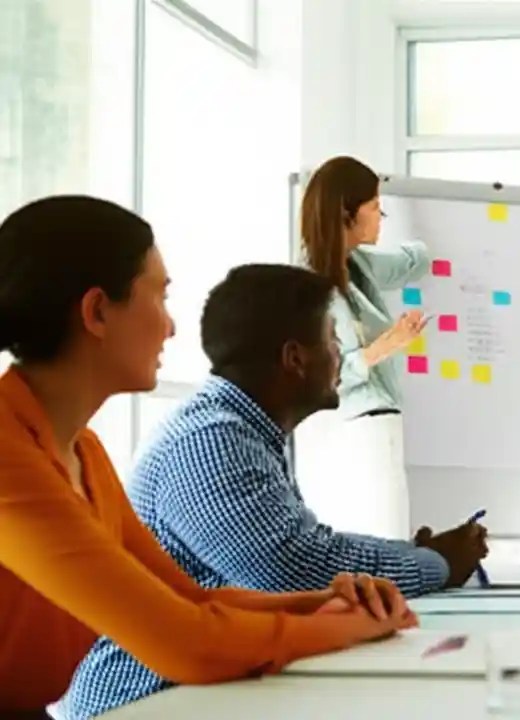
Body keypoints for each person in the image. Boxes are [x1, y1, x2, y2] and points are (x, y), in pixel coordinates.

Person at [0, 197, 413, 718]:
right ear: (97, 311)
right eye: (160, 297)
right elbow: (187, 643)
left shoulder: (83, 450)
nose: (171, 328)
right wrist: (355, 624)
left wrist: (331, 602)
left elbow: (188, 598)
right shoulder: (8, 455)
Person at [60, 264, 490, 718]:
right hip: (140, 701)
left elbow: (303, 554)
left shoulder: (244, 431)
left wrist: (413, 560)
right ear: (294, 358)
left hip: (200, 688)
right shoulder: (210, 440)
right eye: (331, 338)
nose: (341, 353)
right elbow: (296, 566)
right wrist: (437, 564)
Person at [296, 155, 429, 539]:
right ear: (346, 214)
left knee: (385, 555)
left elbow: (413, 262)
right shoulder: (309, 287)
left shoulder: (358, 264)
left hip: (374, 429)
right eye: (374, 208)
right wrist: (386, 345)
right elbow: (324, 378)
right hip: (351, 436)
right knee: (375, 560)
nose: (380, 218)